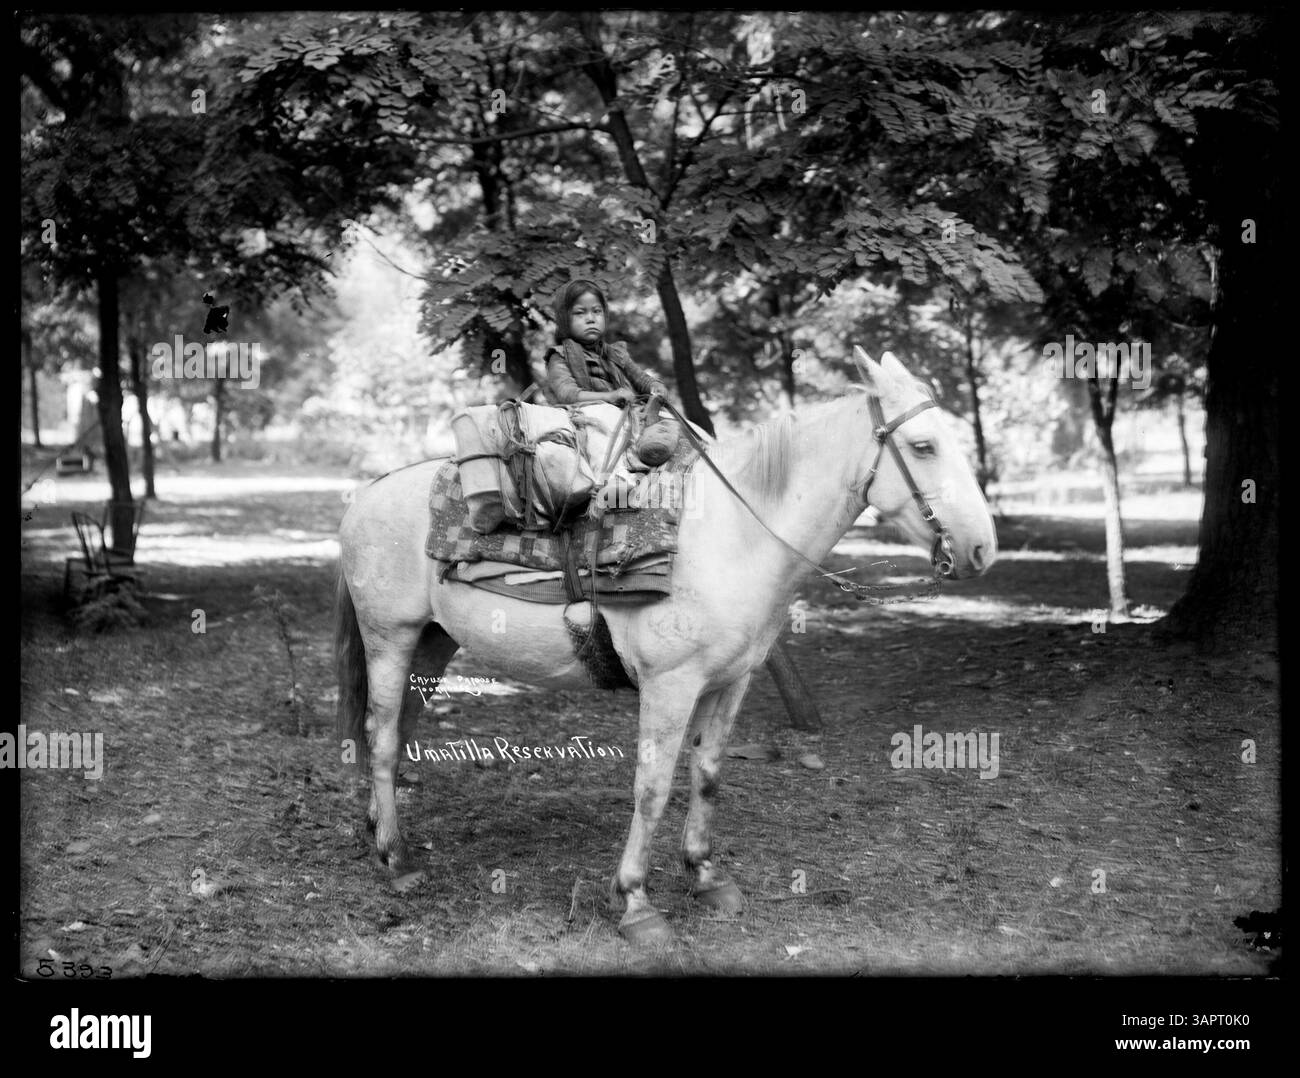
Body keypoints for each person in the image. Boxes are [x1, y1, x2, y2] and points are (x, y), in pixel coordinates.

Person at [544, 280, 667, 407]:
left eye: (597, 311)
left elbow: (641, 379)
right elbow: (567, 394)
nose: (591, 319)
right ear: (565, 319)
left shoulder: (617, 353)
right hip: (588, 418)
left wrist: (656, 386)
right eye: (580, 312)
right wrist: (609, 396)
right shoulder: (559, 356)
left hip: (630, 414)